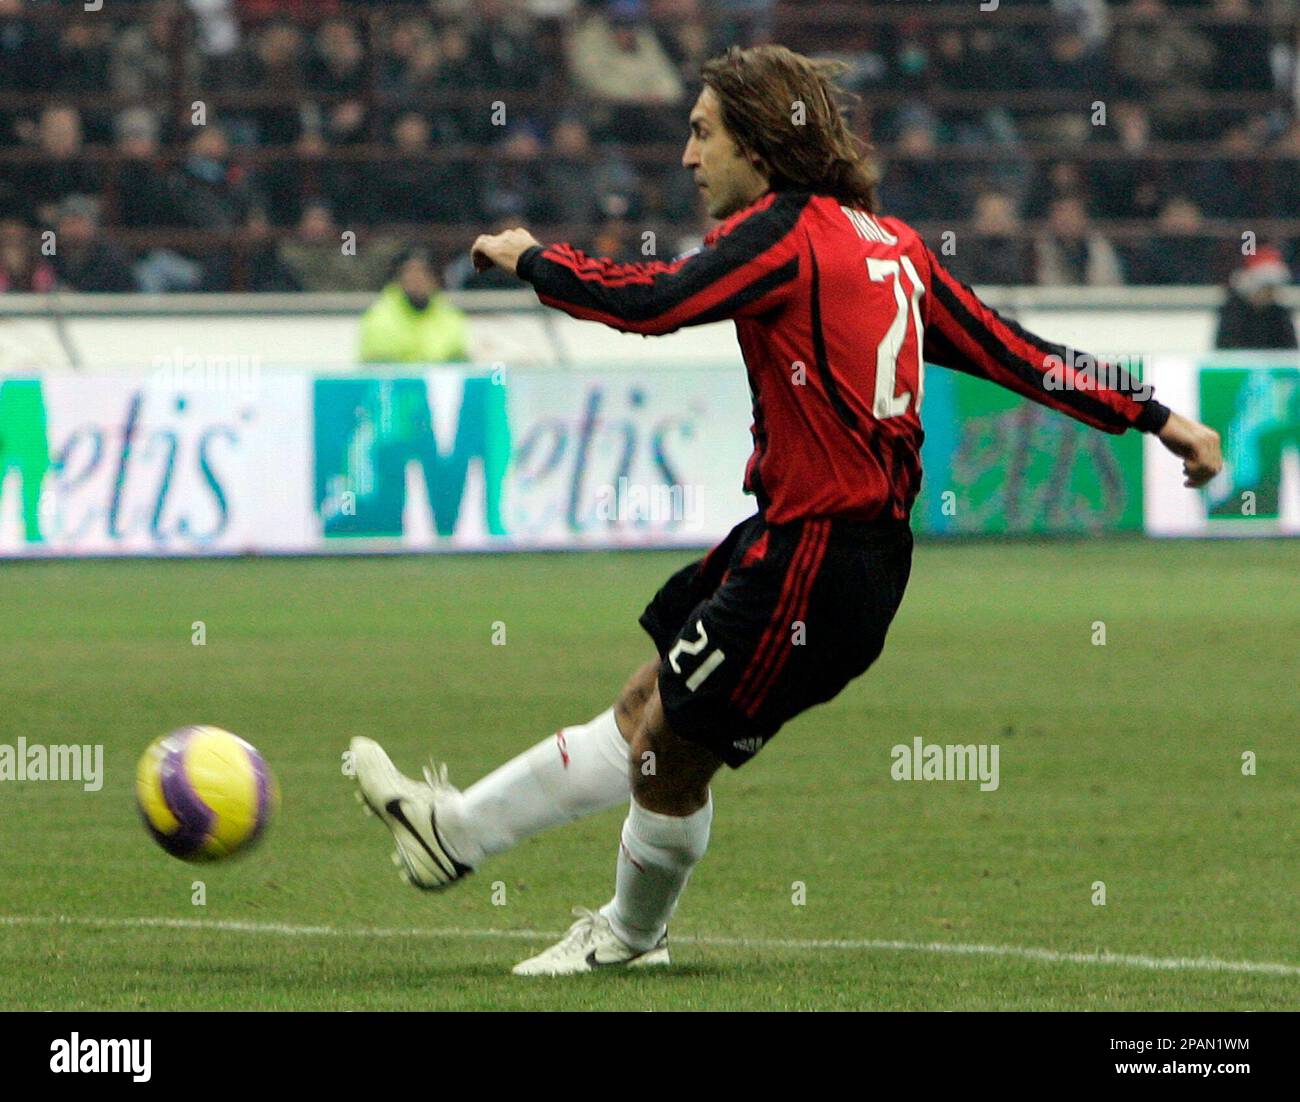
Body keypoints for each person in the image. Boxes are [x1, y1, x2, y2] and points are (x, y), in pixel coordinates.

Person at [351, 44, 1223, 976]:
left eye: (701, 135)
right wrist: (1158, 416)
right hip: (810, 543)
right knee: (646, 704)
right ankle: (454, 833)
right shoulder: (891, 245)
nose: (687, 159)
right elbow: (1019, 352)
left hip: (818, 559)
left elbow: (655, 302)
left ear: (761, 149)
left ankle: (628, 936)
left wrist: (536, 260)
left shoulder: (785, 235)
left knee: (670, 757)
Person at [358, 248, 470, 364]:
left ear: (435, 280)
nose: (417, 279)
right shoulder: (378, 318)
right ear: (397, 279)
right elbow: (378, 369)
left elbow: (459, 364)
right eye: (409, 273)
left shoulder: (450, 317)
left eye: (423, 272)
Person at [1214, 246, 1297, 350]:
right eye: (1265, 289)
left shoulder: (1279, 314)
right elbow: (1224, 349)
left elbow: (1289, 350)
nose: (1269, 294)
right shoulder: (1233, 313)